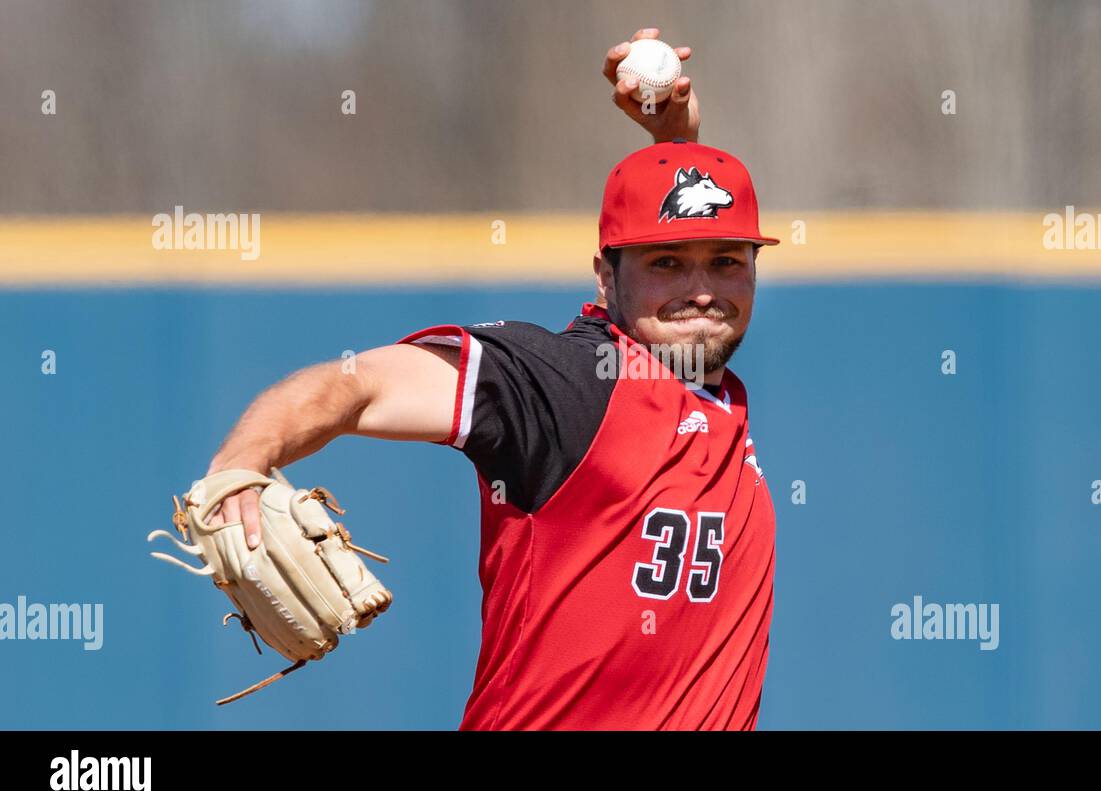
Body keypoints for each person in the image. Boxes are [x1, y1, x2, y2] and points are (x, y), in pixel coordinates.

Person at [205, 28, 779, 729]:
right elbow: (355, 385)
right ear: (606, 276)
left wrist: (675, 142)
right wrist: (245, 458)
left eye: (727, 261)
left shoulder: (716, 394)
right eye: (665, 264)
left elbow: (692, 223)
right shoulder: (565, 385)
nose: (701, 288)